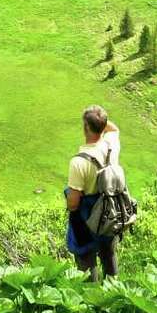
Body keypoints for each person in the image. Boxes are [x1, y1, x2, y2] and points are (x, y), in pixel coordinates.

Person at [65, 105, 121, 280]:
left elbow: (73, 202)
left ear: (86, 127)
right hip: (109, 210)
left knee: (86, 259)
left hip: (86, 217)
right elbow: (114, 129)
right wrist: (100, 120)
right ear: (103, 126)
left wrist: (68, 200)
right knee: (108, 254)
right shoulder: (111, 144)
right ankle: (114, 291)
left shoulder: (78, 162)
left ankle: (92, 299)